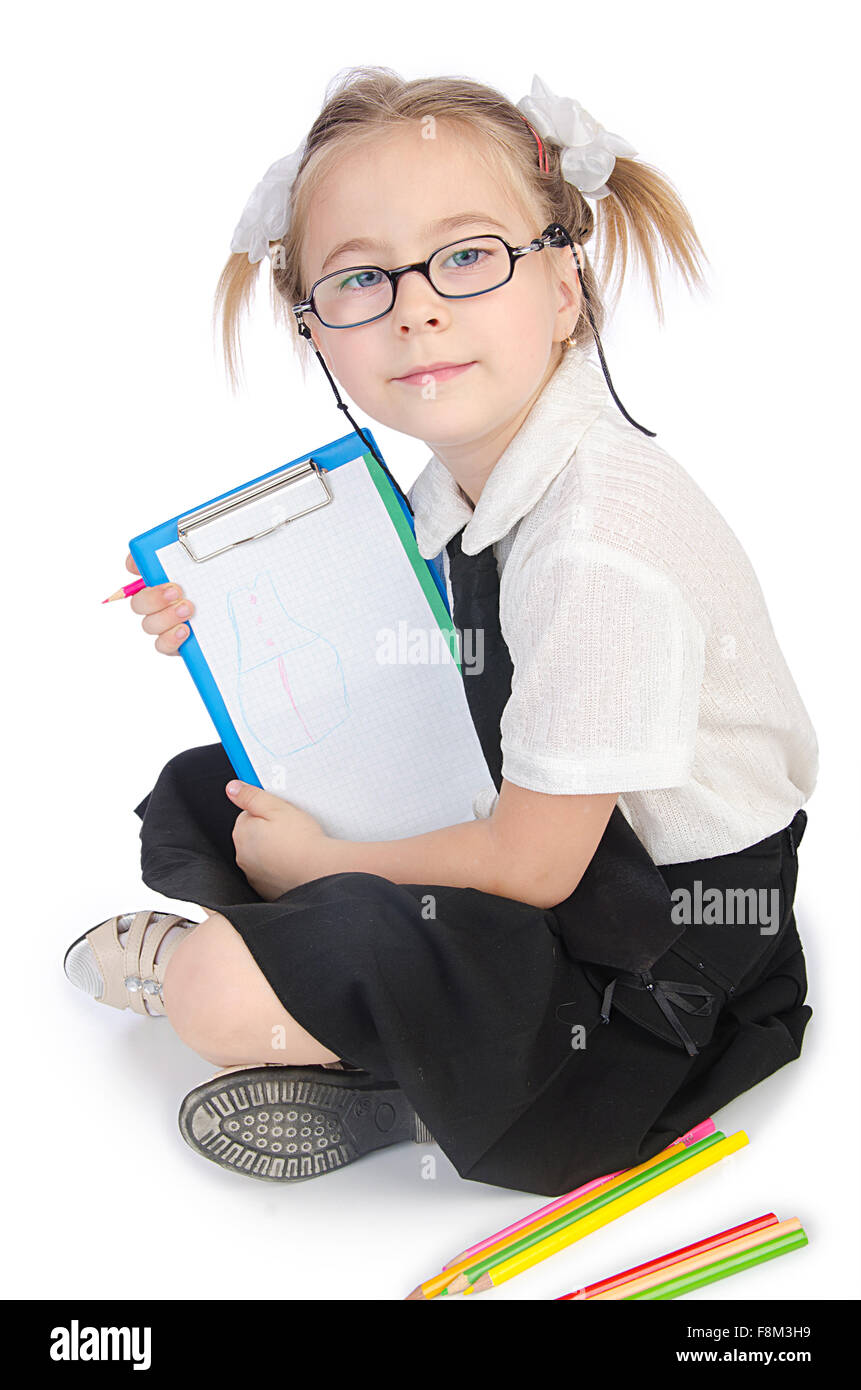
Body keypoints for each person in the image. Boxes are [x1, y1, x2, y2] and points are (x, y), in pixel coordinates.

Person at [63, 68, 818, 1198]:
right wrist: (218, 629)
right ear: (318, 332)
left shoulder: (599, 539)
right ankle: (361, 1007)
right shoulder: (474, 479)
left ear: (564, 286)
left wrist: (327, 863)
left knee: (222, 981)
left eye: (468, 258)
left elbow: (532, 862)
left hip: (651, 949)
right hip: (555, 842)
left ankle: (377, 1067)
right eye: (362, 279)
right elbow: (406, 648)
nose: (416, 307)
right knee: (215, 786)